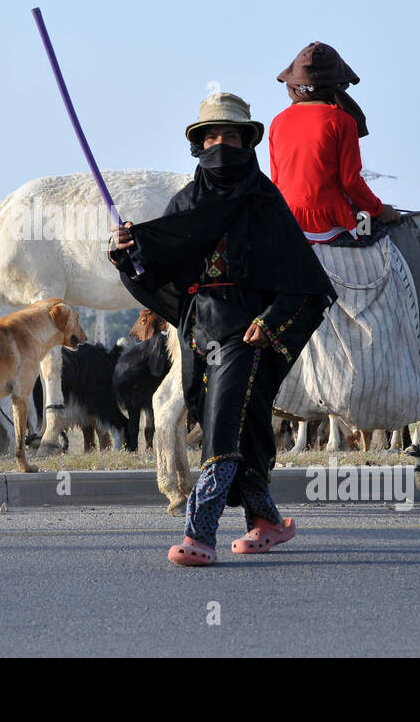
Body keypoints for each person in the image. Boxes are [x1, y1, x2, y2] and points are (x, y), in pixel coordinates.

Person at [109, 93, 335, 566]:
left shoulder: (264, 200)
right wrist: (127, 251)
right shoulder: (186, 202)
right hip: (198, 332)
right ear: (199, 144)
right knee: (243, 423)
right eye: (212, 137)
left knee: (223, 427)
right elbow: (154, 266)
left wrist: (271, 321)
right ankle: (266, 522)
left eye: (231, 137)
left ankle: (200, 534)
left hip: (246, 331)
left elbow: (304, 278)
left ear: (246, 143)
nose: (221, 145)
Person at [269, 42, 401, 243]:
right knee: (371, 232)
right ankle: (368, 251)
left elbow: (276, 181)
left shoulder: (277, 122)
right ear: (338, 85)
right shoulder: (342, 121)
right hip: (330, 220)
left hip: (285, 217)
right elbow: (351, 182)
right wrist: (378, 209)